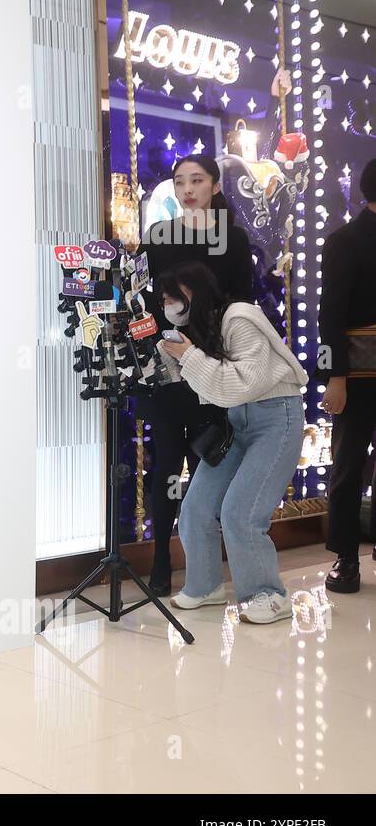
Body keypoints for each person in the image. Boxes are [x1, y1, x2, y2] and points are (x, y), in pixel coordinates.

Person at [157, 261, 307, 624]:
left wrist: (189, 357)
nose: (168, 305)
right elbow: (214, 390)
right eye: (163, 300)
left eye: (172, 297)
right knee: (194, 507)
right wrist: (173, 360)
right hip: (239, 423)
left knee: (241, 512)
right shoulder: (204, 328)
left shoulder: (239, 318)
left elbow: (240, 383)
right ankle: (205, 585)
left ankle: (268, 594)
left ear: (193, 290)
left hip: (276, 419)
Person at [136, 154, 256, 595]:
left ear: (214, 186)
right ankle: (162, 561)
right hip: (169, 366)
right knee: (167, 464)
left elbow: (244, 301)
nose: (188, 189)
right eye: (180, 181)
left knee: (211, 461)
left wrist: (219, 349)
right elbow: (144, 300)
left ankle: (204, 564)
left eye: (197, 180)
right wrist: (161, 344)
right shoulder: (158, 238)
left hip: (216, 365)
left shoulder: (235, 240)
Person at [317, 158, 376, 594]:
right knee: (348, 463)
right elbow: (330, 316)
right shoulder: (344, 241)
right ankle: (345, 557)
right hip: (356, 372)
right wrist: (334, 376)